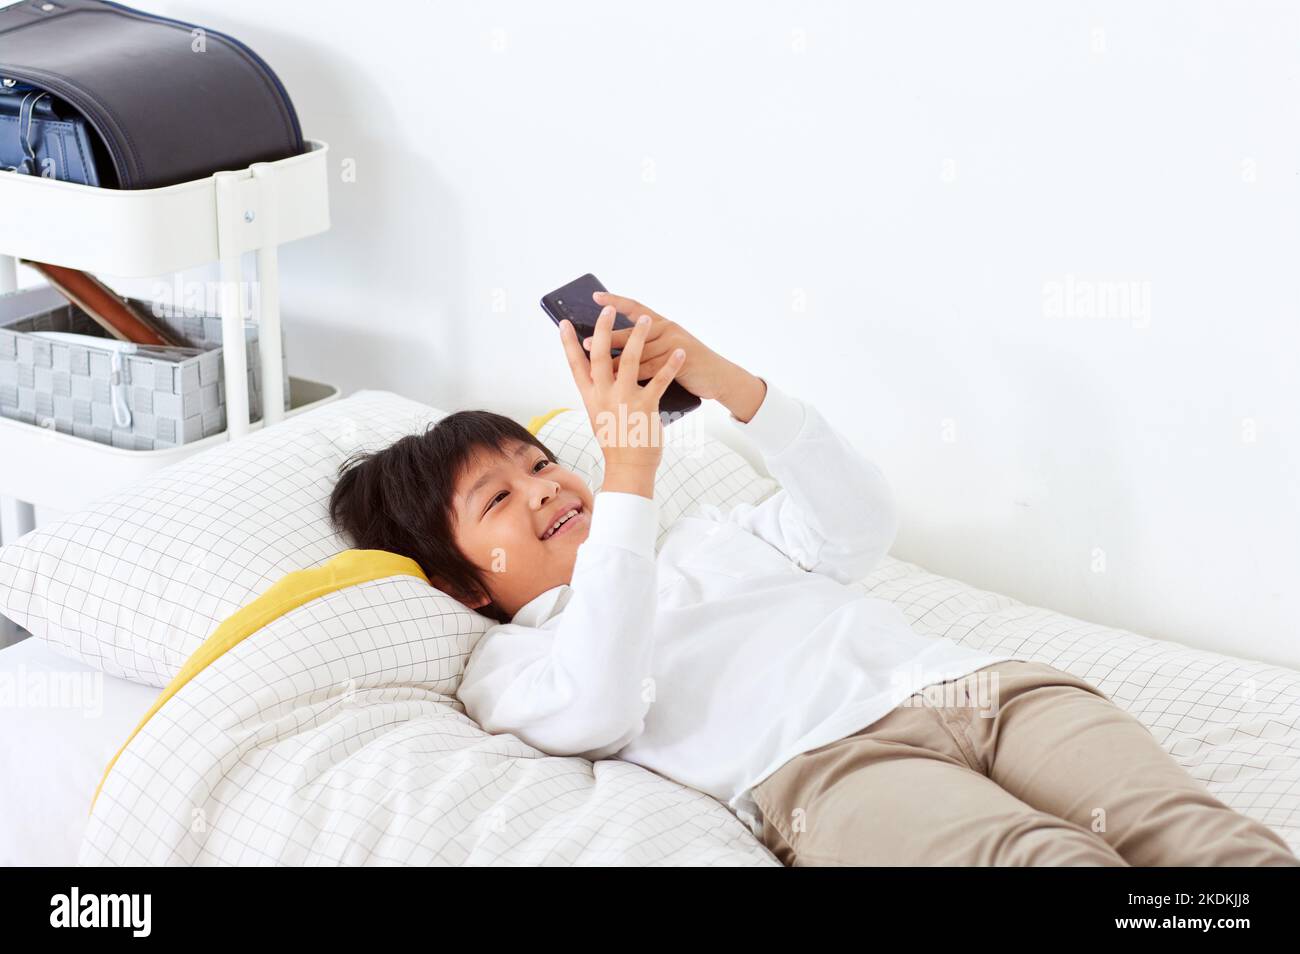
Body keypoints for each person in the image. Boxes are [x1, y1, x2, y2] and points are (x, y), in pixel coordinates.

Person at [328, 289, 1299, 867]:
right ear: (462, 582)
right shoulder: (513, 664)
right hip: (828, 773)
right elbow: (601, 702)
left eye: (540, 464)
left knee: (1199, 844)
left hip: (977, 689)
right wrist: (629, 478)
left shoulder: (705, 535)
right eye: (497, 500)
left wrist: (722, 379)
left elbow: (857, 522)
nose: (543, 489)